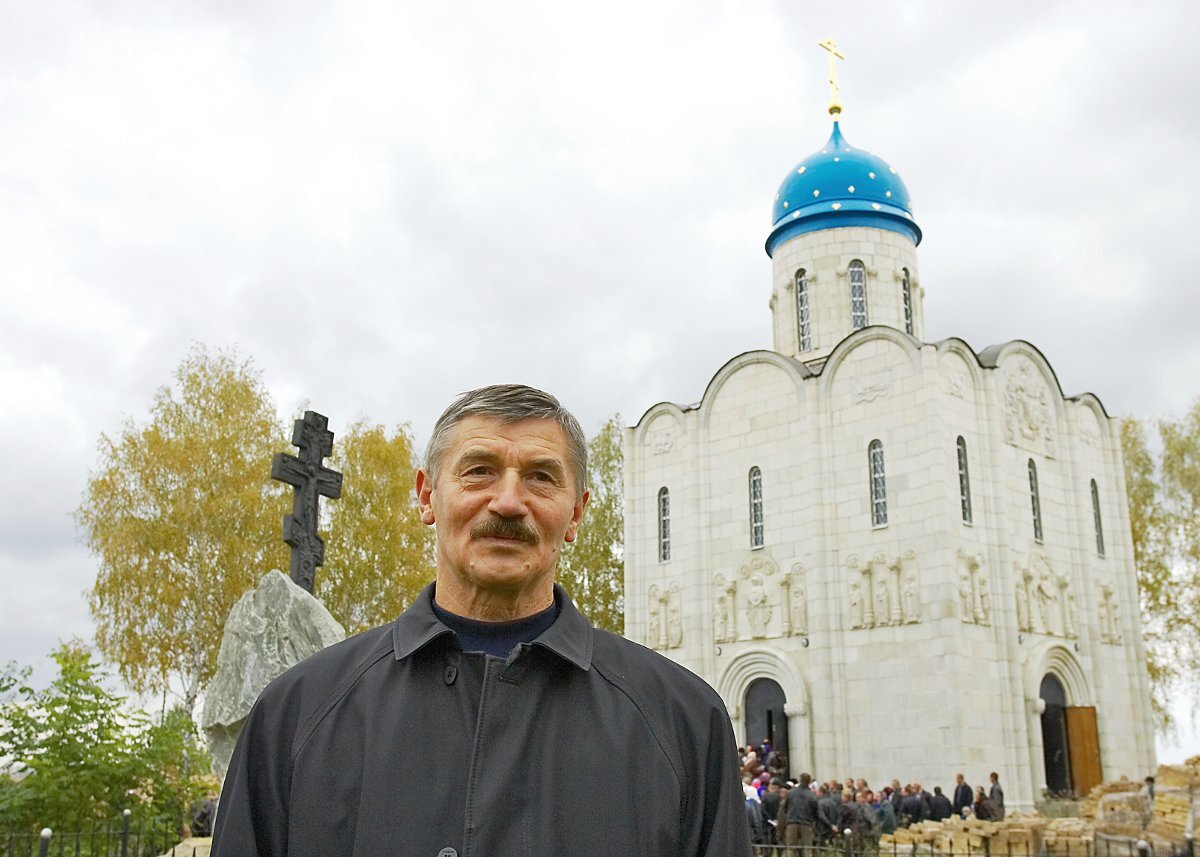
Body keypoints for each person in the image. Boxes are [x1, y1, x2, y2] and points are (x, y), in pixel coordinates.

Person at [211, 385, 752, 857]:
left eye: (541, 477)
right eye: (479, 472)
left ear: (576, 514)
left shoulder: (683, 723)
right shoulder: (298, 713)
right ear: (427, 496)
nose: (509, 501)